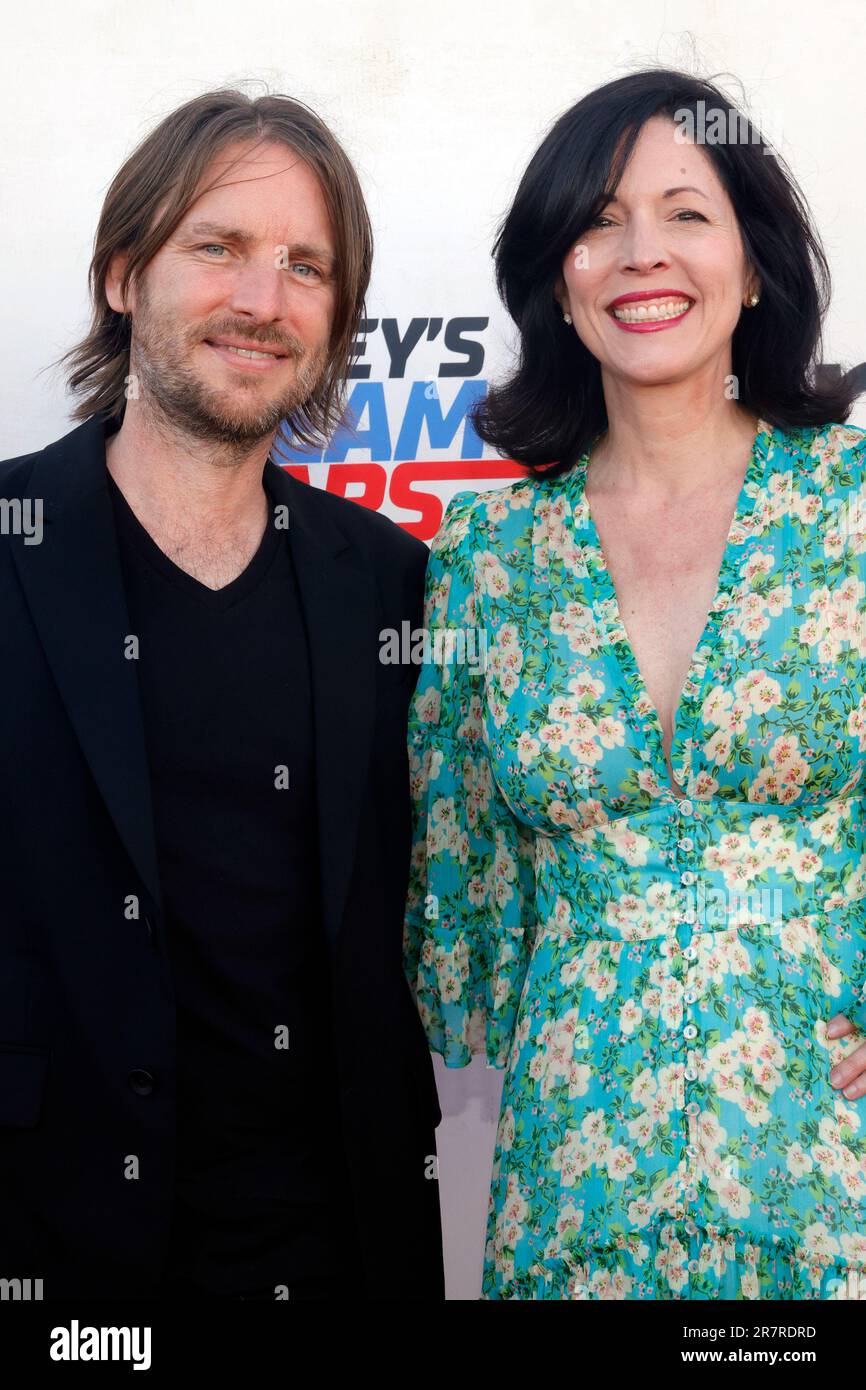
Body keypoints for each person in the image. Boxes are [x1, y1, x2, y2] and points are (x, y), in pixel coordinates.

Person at [404, 67, 866, 1300]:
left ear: (755, 263)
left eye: (683, 211)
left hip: (831, 1185)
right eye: (597, 220)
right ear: (557, 277)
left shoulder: (857, 511)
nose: (637, 252)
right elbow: (458, 884)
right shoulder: (488, 559)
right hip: (572, 1205)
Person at [0, 88, 443, 1301]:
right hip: (51, 1251)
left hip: (341, 1245)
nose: (263, 299)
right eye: (220, 247)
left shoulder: (399, 585)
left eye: (307, 265)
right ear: (121, 273)